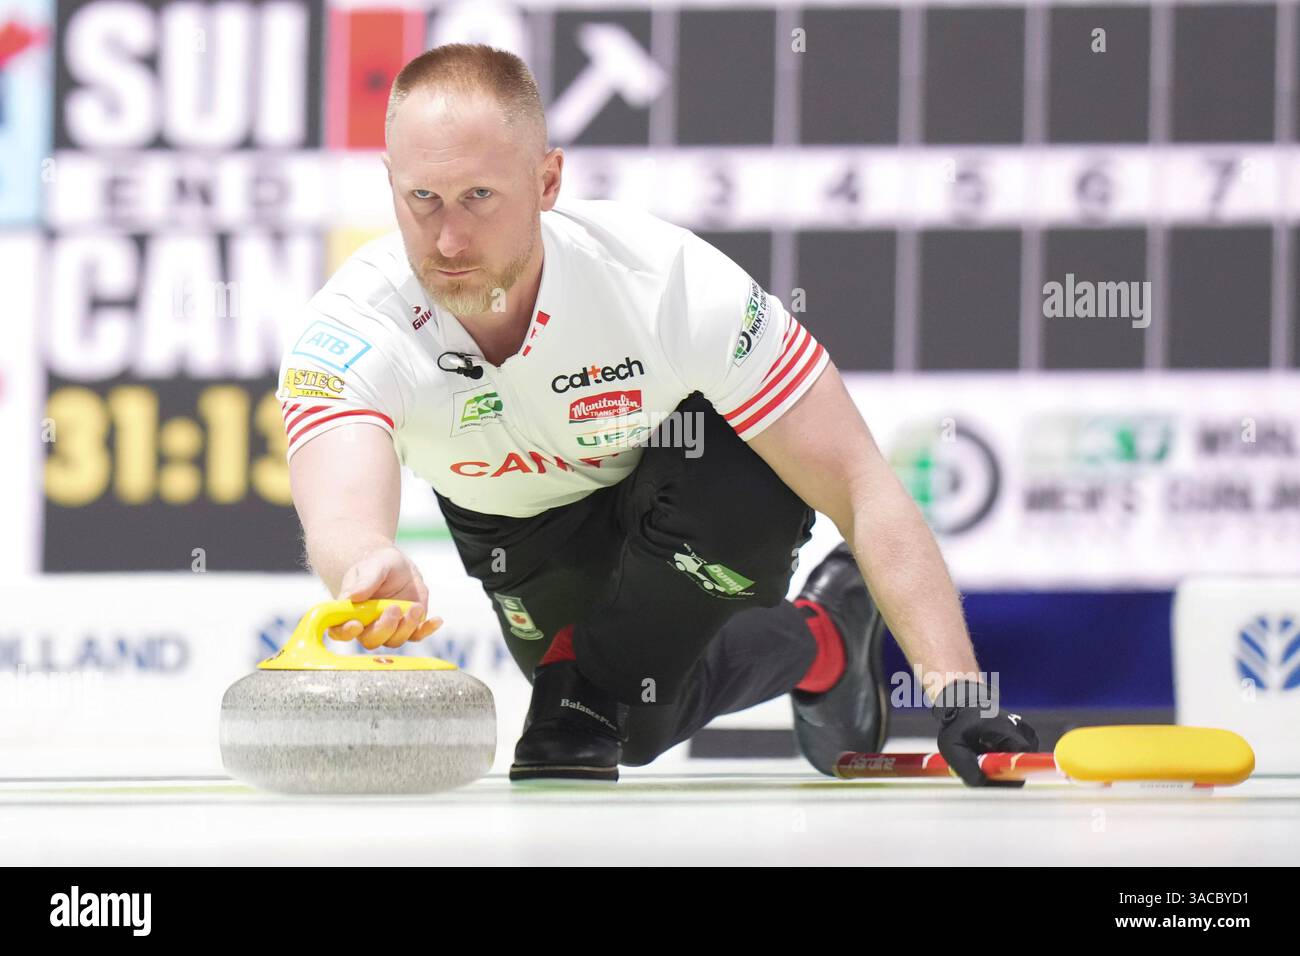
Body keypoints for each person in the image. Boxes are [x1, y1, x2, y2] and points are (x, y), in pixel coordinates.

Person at [277, 43, 1038, 786]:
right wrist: (363, 566)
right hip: (518, 535)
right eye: (422, 199)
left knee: (735, 507)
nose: (448, 238)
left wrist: (958, 696)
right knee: (622, 726)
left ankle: (616, 670)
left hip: (683, 482)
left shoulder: (668, 283)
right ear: (390, 183)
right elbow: (345, 512)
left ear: (547, 180)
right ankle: (825, 637)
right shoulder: (353, 327)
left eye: (480, 196)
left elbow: (862, 486)